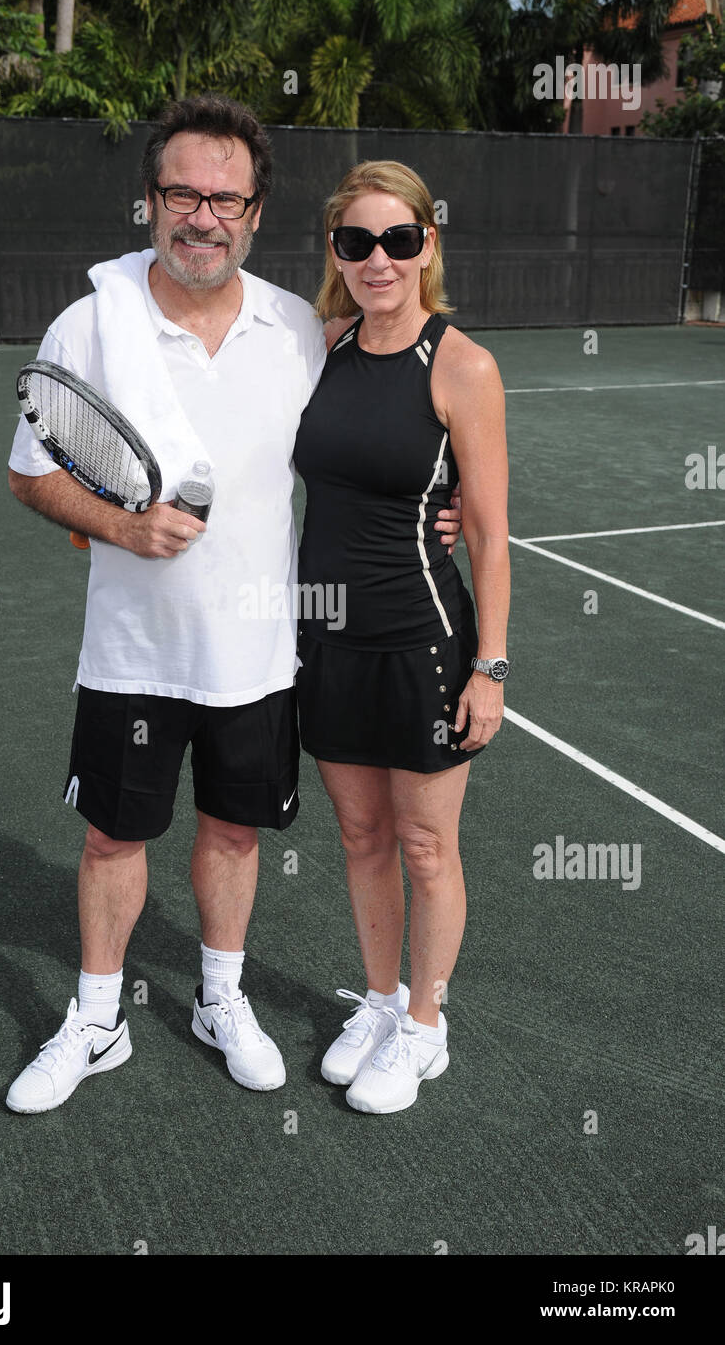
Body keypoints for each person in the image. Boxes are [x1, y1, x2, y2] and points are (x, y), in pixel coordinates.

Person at [4, 96, 465, 1113]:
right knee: (111, 840)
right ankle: (95, 1018)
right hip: (128, 652)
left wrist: (447, 494)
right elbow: (31, 474)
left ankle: (221, 998)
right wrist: (121, 526)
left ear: (254, 214)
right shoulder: (89, 323)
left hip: (259, 654)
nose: (200, 216)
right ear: (149, 201)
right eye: (181, 193)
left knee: (233, 832)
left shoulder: (299, 330)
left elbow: (382, 417)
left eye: (224, 197)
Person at [293, 160, 509, 1114]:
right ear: (336, 254)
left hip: (423, 639)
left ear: (428, 245)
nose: (377, 260)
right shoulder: (322, 342)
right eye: (355, 242)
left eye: (397, 240)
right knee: (360, 833)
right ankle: (379, 1002)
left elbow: (493, 534)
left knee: (426, 845)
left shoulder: (462, 365)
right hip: (326, 638)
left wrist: (490, 668)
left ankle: (426, 1023)